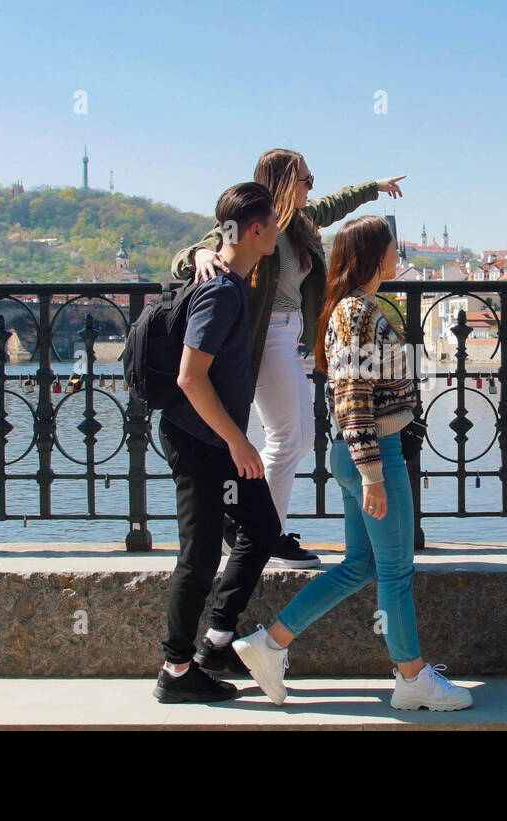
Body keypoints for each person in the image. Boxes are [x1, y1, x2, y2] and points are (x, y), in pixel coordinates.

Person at [233, 215, 473, 712]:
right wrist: (373, 475)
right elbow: (352, 394)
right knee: (396, 571)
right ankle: (413, 679)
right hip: (374, 453)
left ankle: (270, 643)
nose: (397, 255)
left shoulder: (349, 309)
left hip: (356, 452)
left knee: (359, 566)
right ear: (372, 255)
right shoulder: (358, 312)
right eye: (391, 247)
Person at [172, 149, 405, 569]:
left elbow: (337, 203)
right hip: (264, 340)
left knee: (296, 439)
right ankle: (260, 533)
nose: (311, 186)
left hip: (290, 339)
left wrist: (374, 188)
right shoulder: (256, 220)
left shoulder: (298, 221)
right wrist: (198, 256)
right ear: (283, 181)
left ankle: (252, 526)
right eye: (305, 179)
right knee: (287, 438)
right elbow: (203, 249)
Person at [153, 182, 284, 704]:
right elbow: (190, 377)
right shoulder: (222, 291)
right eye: (272, 223)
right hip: (199, 439)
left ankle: (218, 640)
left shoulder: (234, 280)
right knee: (199, 554)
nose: (276, 230)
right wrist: (239, 442)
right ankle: (176, 670)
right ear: (255, 230)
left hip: (217, 438)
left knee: (262, 527)